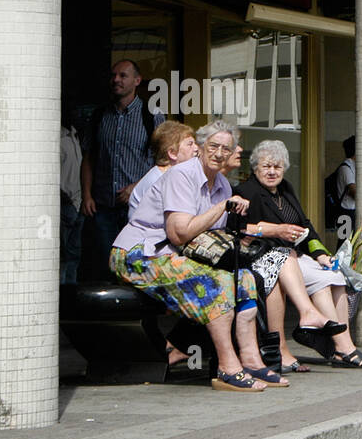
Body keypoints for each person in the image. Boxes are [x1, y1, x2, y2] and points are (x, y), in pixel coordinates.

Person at [110, 121, 275, 392]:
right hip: (141, 253)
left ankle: (251, 360)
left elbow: (210, 235)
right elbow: (179, 234)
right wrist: (224, 206)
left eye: (226, 148)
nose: (220, 153)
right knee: (215, 284)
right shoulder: (181, 175)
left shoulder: (221, 183)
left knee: (244, 278)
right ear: (199, 147)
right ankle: (227, 367)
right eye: (213, 146)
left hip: (174, 255)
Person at [235, 140, 362, 370]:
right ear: (255, 168)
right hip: (265, 255)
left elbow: (306, 225)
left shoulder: (286, 189)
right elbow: (240, 227)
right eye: (266, 166)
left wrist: (321, 254)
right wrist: (276, 230)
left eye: (277, 167)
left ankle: (344, 345)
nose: (272, 172)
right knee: (299, 274)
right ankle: (326, 339)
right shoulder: (245, 191)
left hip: (294, 255)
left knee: (332, 278)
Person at [81, 59, 165, 279]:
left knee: (135, 264)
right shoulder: (99, 116)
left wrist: (135, 188)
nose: (116, 80)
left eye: (123, 75)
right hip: (102, 205)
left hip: (138, 209)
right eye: (114, 75)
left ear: (137, 81)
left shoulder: (152, 116)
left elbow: (164, 162)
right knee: (104, 263)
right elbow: (89, 157)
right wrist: (86, 195)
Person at [60, 108, 85, 285]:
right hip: (64, 204)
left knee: (74, 255)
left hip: (78, 203)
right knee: (61, 256)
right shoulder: (57, 138)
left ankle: (70, 295)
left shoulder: (75, 136)